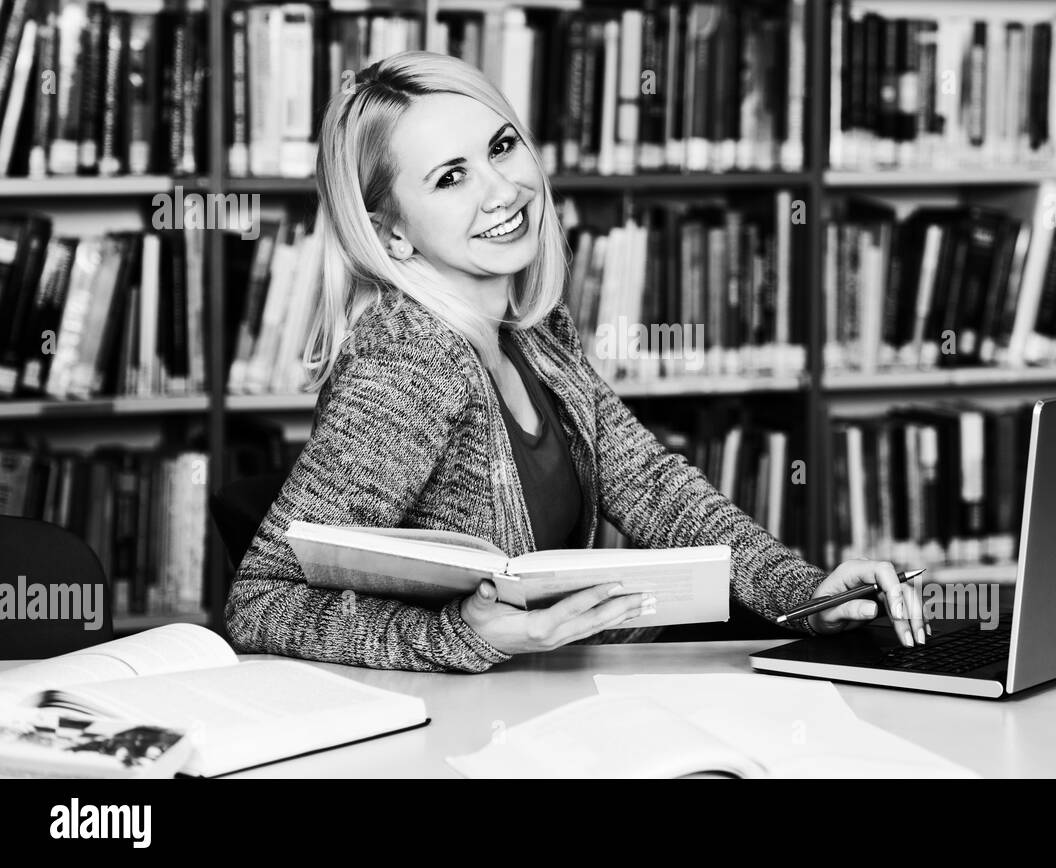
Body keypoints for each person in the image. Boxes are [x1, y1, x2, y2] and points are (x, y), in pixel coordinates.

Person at [223, 50, 928, 672]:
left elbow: (651, 486)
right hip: (451, 732)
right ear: (390, 234)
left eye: (502, 146)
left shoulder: (532, 325)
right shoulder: (407, 357)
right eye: (450, 178)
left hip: (549, 701)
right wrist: (458, 634)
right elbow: (259, 603)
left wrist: (802, 595)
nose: (503, 190)